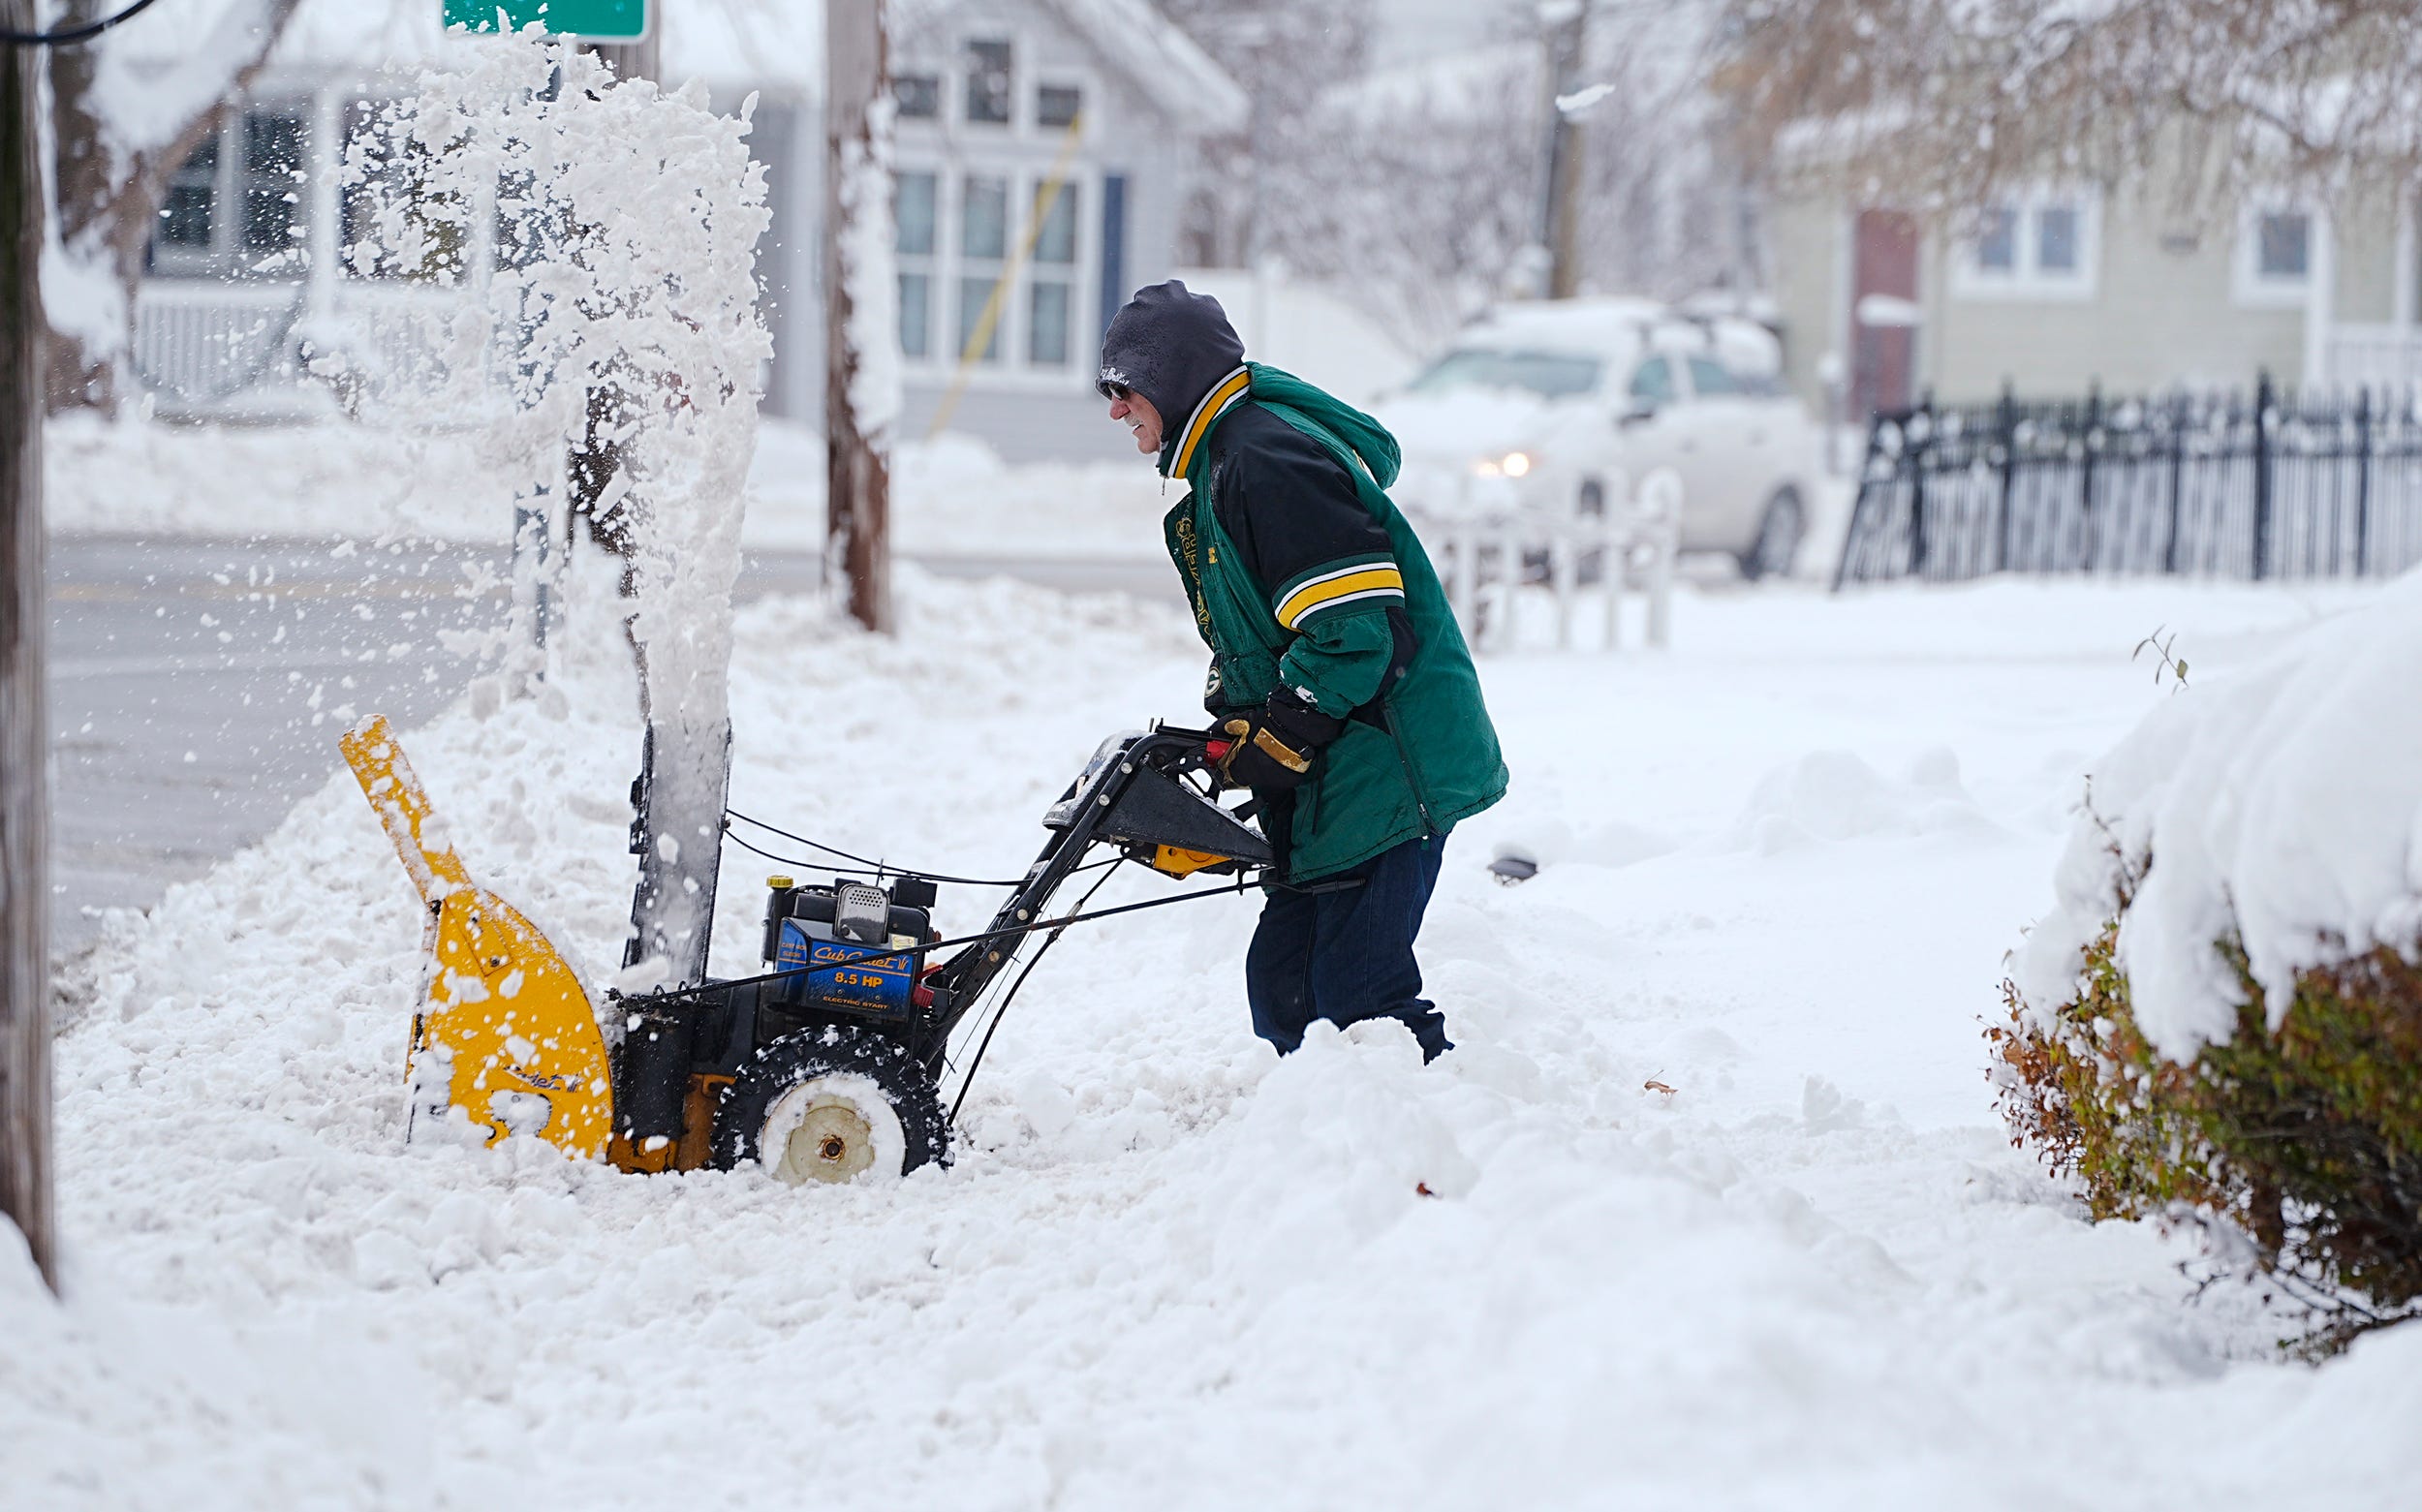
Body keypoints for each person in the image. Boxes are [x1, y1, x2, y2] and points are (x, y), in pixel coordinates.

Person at [1097, 281, 1506, 1062]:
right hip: (1341, 766)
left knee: (1358, 996)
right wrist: (1236, 720)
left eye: (1126, 387)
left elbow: (1351, 631)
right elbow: (1269, 628)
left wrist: (1282, 733)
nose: (1117, 409)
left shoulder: (1264, 459)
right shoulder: (1226, 463)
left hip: (1388, 761)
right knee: (1288, 989)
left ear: (1175, 377)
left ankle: (1439, 1144)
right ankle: (1332, 1148)